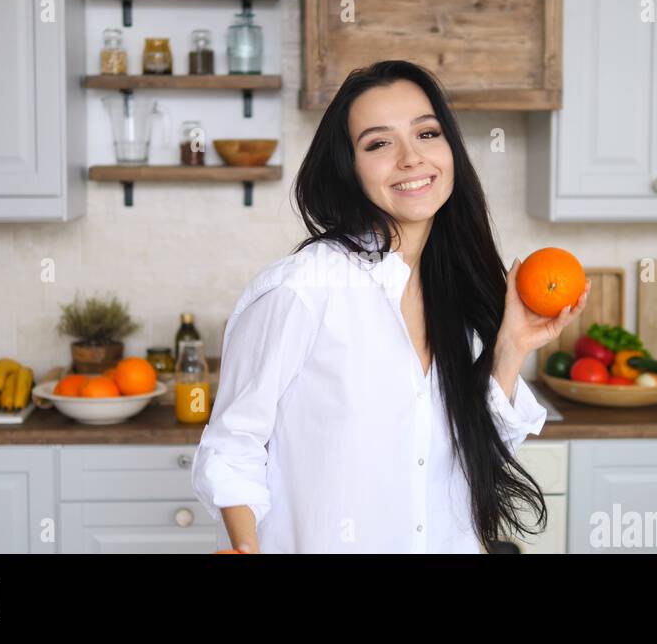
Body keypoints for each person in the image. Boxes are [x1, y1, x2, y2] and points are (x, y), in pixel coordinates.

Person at [191, 60, 590, 553]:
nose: (410, 158)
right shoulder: (302, 289)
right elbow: (234, 446)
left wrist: (510, 347)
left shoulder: (460, 292)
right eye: (378, 143)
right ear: (348, 168)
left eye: (427, 133)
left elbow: (462, 462)